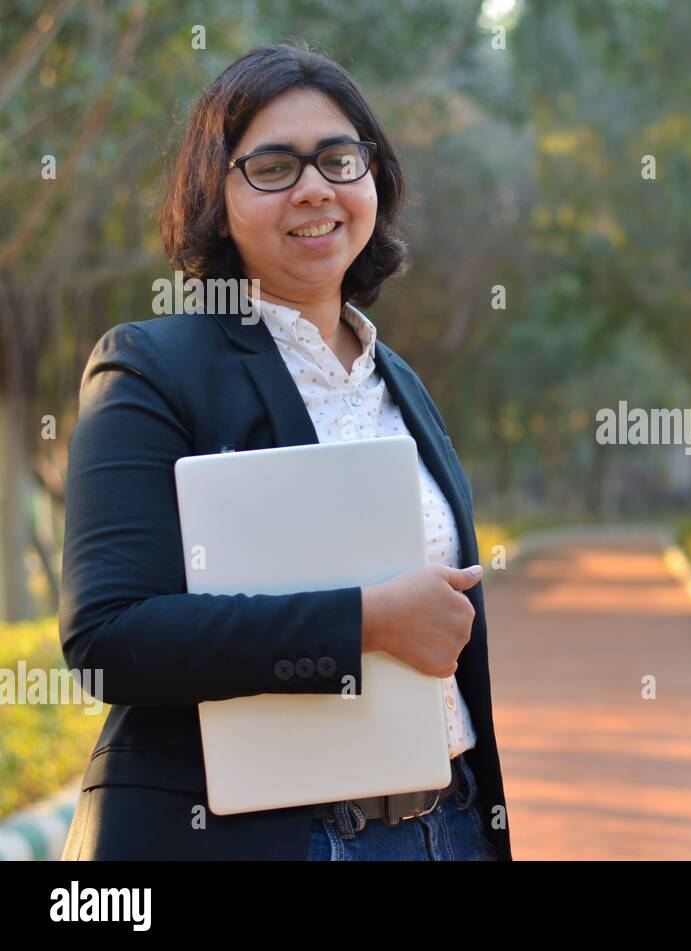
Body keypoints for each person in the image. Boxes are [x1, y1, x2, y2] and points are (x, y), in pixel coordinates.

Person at [59, 44, 508, 860]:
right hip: (265, 840)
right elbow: (108, 638)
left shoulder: (398, 383)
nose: (314, 188)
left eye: (339, 159)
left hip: (445, 823)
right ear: (213, 195)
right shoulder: (150, 369)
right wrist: (366, 621)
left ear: (374, 178)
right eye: (271, 166)